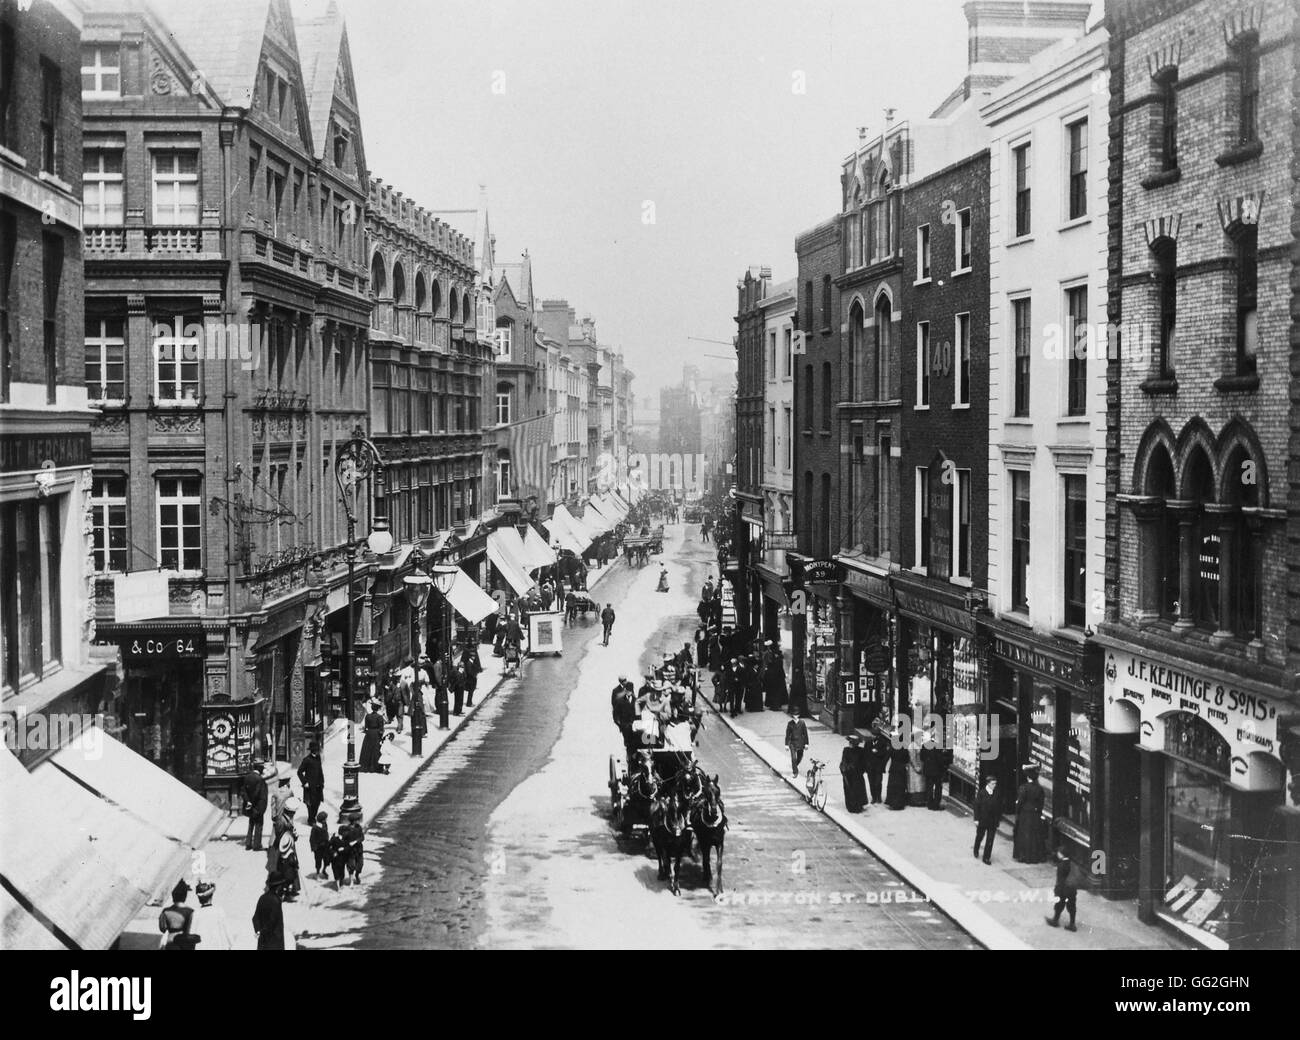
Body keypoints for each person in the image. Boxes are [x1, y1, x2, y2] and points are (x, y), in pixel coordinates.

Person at [1046, 835, 1081, 932]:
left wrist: (1057, 890)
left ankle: (1055, 920)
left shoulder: (1061, 865)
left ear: (1061, 854)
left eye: (1058, 853)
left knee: (1059, 905)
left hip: (1063, 890)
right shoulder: (1072, 862)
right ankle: (1072, 924)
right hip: (1072, 889)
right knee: (1071, 906)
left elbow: (1060, 880)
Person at [1013, 767, 1048, 863]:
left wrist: (1018, 812)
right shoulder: (1039, 789)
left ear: (1028, 777)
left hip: (1025, 815)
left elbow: (1020, 802)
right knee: (1034, 836)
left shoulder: (1024, 788)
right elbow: (1041, 803)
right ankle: (1034, 857)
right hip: (1035, 815)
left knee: (1024, 835)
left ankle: (1023, 856)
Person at [193, 881, 234, 951]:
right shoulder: (219, 910)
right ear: (211, 896)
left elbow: (191, 933)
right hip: (217, 947)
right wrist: (231, 945)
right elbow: (228, 931)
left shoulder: (195, 913)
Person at [159, 879, 198, 950]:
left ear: (173, 894)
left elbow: (162, 928)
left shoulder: (166, 911)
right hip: (184, 943)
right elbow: (191, 929)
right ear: (185, 895)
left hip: (170, 942)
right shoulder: (190, 911)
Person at [252, 873, 286, 950]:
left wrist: (259, 931)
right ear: (278, 886)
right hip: (274, 943)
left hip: (262, 942)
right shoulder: (276, 901)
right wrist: (264, 931)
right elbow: (272, 921)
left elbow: (255, 918)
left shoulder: (262, 898)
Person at [973, 775, 1002, 864]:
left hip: (993, 820)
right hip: (983, 819)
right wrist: (976, 819)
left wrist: (998, 819)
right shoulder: (982, 793)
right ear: (988, 784)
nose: (994, 785)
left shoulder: (997, 793)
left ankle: (986, 857)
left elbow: (999, 807)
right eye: (993, 784)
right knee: (980, 836)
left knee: (990, 839)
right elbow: (977, 806)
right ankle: (976, 848)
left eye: (995, 784)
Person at [242, 759, 268, 851]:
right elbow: (258, 793)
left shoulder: (247, 777)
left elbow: (244, 791)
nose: (263, 770)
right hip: (258, 806)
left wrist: (248, 801)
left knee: (251, 824)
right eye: (262, 768)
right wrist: (255, 804)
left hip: (250, 806)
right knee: (259, 825)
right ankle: (257, 845)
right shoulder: (260, 779)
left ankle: (248, 844)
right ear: (259, 768)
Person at [919, 738, 952, 811]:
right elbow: (940, 759)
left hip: (928, 770)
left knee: (929, 787)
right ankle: (936, 804)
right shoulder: (938, 746)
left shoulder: (924, 745)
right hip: (937, 771)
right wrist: (944, 768)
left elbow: (922, 757)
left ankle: (929, 803)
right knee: (938, 787)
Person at [297, 743, 324, 825]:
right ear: (313, 750)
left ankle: (313, 817)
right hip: (310, 786)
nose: (318, 752)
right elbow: (299, 772)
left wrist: (322, 781)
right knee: (310, 804)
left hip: (318, 785)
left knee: (317, 802)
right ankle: (311, 819)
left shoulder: (318, 758)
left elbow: (320, 770)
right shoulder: (307, 760)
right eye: (316, 750)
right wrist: (304, 782)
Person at [840, 735, 869, 813]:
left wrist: (860, 770)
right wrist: (845, 770)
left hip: (857, 774)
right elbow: (843, 762)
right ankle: (851, 806)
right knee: (849, 790)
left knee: (857, 790)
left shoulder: (860, 751)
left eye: (852, 743)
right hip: (849, 774)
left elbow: (864, 762)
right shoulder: (846, 750)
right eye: (850, 743)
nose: (850, 744)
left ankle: (858, 806)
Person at [864, 725, 890, 805]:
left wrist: (877, 752)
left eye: (874, 735)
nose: (872, 736)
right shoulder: (868, 743)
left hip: (878, 766)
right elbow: (865, 754)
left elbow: (886, 755)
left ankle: (879, 797)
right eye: (872, 734)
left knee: (878, 782)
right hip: (870, 767)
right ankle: (873, 797)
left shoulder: (883, 743)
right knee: (871, 782)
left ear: (878, 736)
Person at [358, 700, 386, 772]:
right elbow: (381, 729)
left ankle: (365, 766)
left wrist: (367, 732)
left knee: (367, 750)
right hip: (376, 734)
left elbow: (366, 727)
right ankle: (374, 766)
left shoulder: (368, 716)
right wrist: (381, 735)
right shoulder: (379, 717)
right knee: (375, 750)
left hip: (369, 734)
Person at [762, 640, 788, 710]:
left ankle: (773, 704)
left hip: (774, 676)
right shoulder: (772, 656)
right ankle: (774, 704)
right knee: (775, 691)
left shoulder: (775, 658)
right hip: (775, 676)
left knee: (773, 691)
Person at [885, 741, 911, 810]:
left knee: (892, 786)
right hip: (901, 769)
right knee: (900, 786)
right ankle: (900, 803)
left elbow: (887, 757)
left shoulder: (892, 748)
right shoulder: (904, 748)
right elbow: (907, 759)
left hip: (893, 768)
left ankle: (891, 802)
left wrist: (883, 767)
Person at [309, 811, 331, 878]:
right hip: (318, 848)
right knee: (318, 861)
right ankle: (317, 873)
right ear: (322, 819)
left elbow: (326, 833)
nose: (326, 820)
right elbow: (312, 839)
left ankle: (324, 870)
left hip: (325, 846)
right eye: (325, 819)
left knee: (327, 860)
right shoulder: (315, 827)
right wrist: (314, 848)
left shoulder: (325, 824)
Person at [410, 676, 428, 755]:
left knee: (419, 721)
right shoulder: (417, 694)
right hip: (418, 711)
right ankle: (421, 733)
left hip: (417, 710)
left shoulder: (416, 693)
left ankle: (421, 733)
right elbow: (420, 703)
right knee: (420, 721)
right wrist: (422, 710)